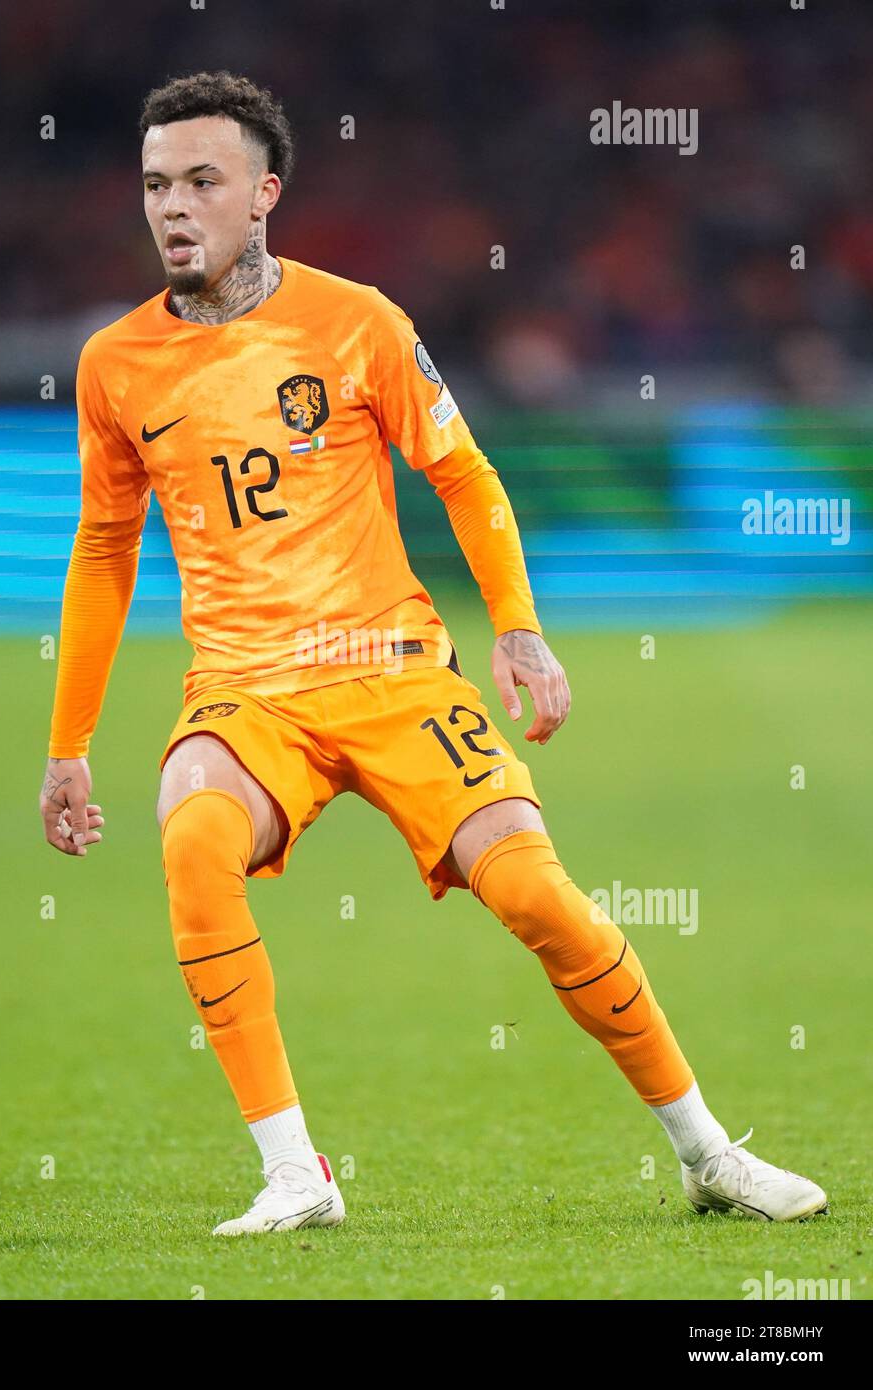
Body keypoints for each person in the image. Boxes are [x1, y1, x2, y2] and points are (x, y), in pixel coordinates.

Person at [41, 70, 827, 1235]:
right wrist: (70, 746)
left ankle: (707, 1150)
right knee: (194, 837)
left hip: (394, 669)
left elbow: (460, 471)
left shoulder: (356, 320)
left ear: (263, 194)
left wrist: (516, 626)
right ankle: (296, 1174)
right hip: (248, 691)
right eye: (156, 183)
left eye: (202, 181)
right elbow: (105, 550)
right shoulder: (114, 365)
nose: (173, 206)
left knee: (536, 896)